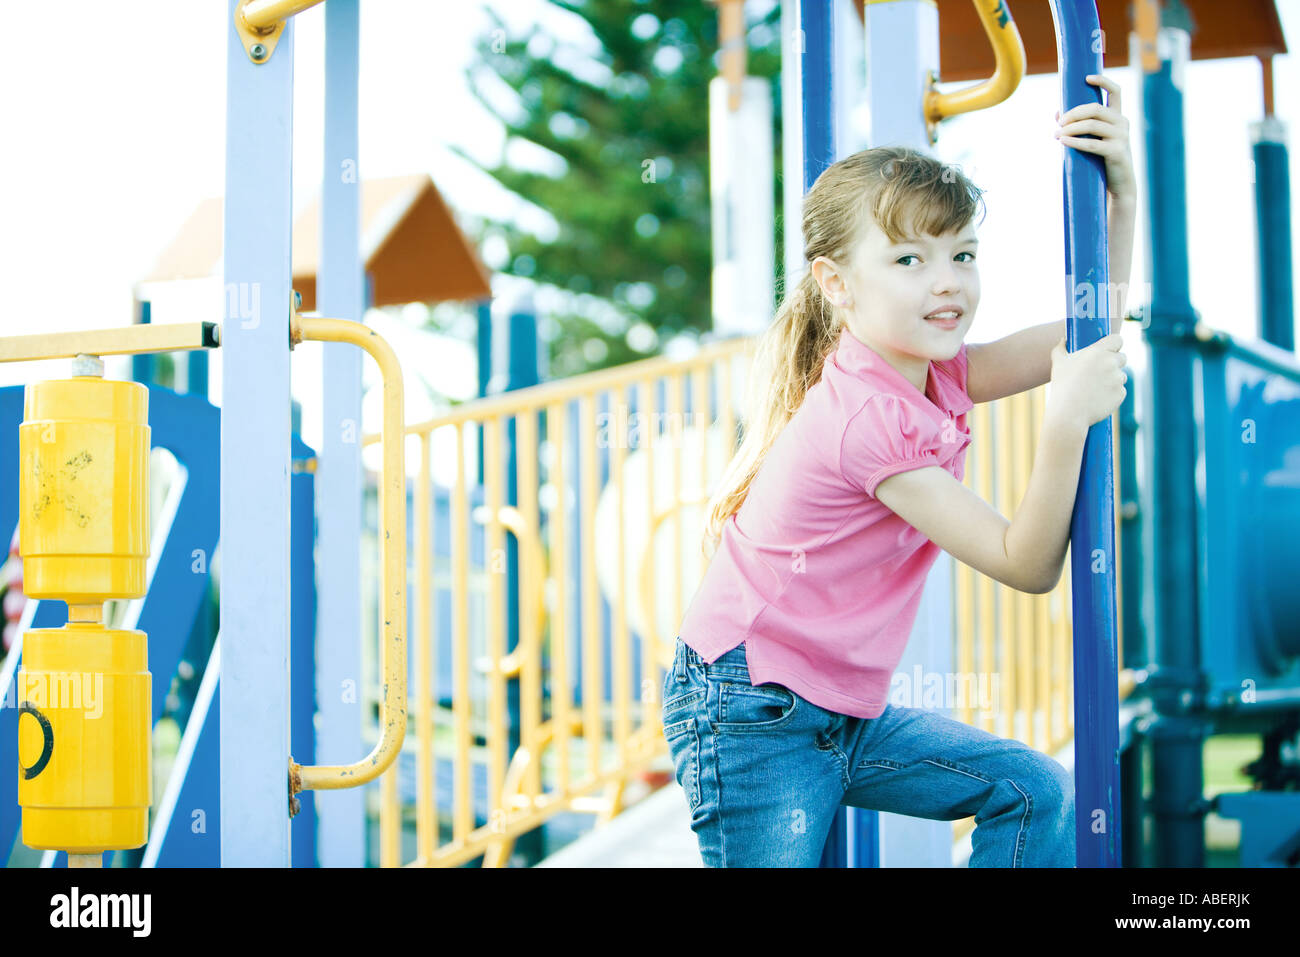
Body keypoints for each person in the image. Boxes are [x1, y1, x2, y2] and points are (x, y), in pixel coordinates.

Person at [662, 74, 1136, 867]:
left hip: (839, 710)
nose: (946, 279)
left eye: (962, 253)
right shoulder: (864, 419)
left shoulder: (936, 369)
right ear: (836, 284)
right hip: (749, 707)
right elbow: (1026, 562)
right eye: (910, 258)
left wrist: (1120, 195)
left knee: (1035, 792)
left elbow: (1095, 325)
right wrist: (1063, 419)